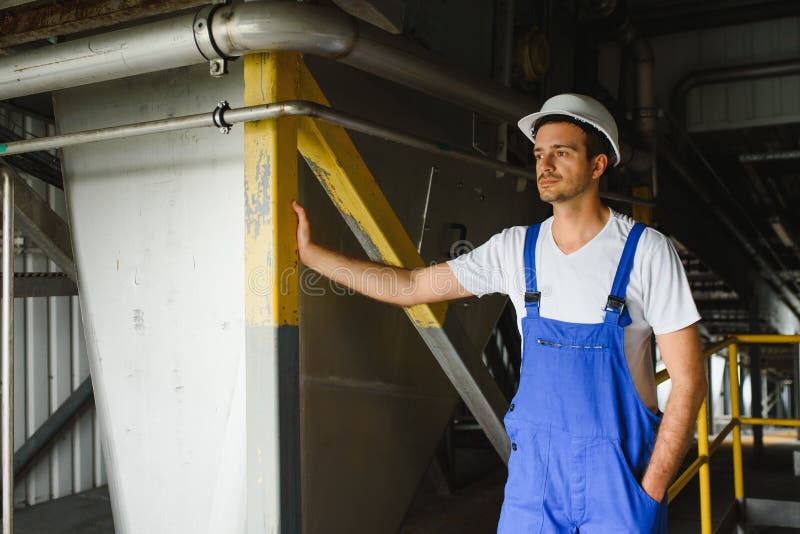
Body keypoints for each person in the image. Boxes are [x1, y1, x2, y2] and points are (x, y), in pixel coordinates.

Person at [292, 93, 707, 533]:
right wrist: (314, 256)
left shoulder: (645, 252)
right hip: (535, 484)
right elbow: (411, 286)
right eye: (539, 153)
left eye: (561, 153)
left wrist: (652, 490)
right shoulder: (515, 249)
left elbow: (689, 381)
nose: (544, 165)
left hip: (618, 486)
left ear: (598, 165)